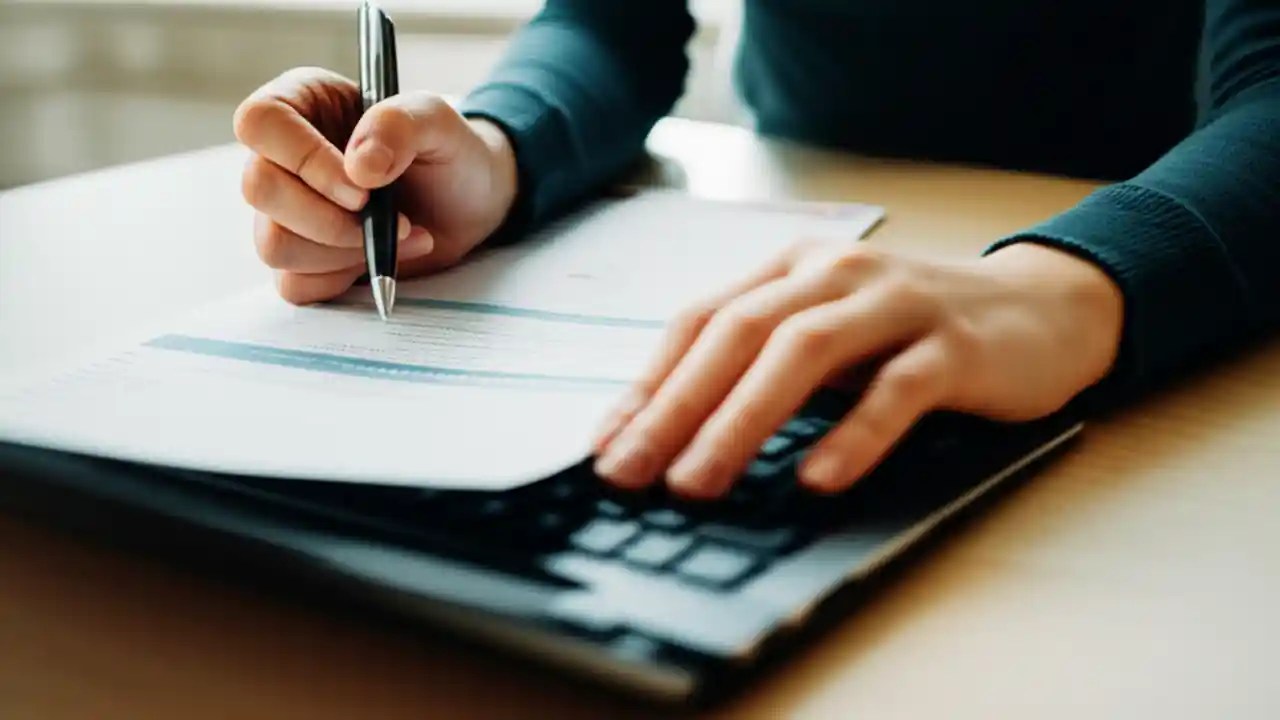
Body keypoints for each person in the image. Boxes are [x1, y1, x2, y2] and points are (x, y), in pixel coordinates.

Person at [231, 0, 1279, 499]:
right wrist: (499, 155)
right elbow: (609, 21)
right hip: (802, 202)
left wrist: (1061, 289)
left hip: (1156, 267)